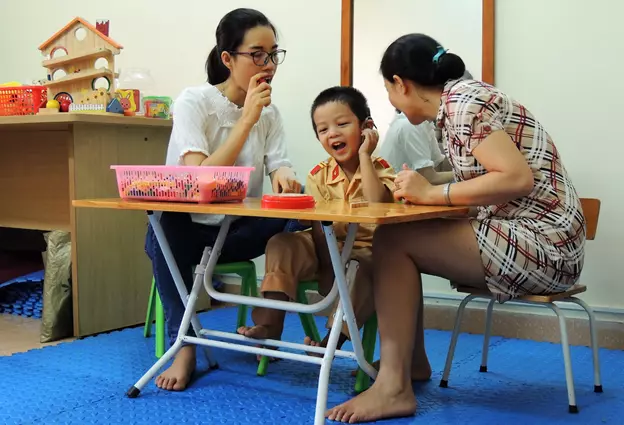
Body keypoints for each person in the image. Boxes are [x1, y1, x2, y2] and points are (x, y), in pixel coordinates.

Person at [326, 33, 586, 423]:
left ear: (402, 83)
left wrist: (433, 194)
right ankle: (409, 366)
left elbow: (516, 179)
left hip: (545, 245)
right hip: (540, 237)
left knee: (394, 241)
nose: (392, 102)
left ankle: (396, 386)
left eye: (388, 91)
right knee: (398, 239)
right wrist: (432, 196)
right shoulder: (457, 105)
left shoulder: (464, 104)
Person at [144, 8, 301, 392]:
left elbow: (279, 165)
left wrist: (286, 179)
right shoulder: (193, 102)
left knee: (302, 223)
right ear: (227, 59)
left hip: (236, 230)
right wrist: (247, 118)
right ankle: (185, 345)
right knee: (164, 226)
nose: (268, 65)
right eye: (257, 55)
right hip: (188, 229)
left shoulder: (271, 114)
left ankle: (271, 326)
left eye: (273, 54)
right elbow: (200, 179)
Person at [237, 86, 395, 356]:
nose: (332, 133)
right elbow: (317, 225)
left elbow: (378, 203)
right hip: (326, 249)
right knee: (282, 242)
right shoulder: (318, 175)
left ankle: (331, 343)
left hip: (364, 252)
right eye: (323, 130)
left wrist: (365, 156)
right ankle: (270, 323)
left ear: (366, 127)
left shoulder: (380, 168)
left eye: (343, 124)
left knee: (365, 267)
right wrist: (327, 265)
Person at [379, 110, 453, 184]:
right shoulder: (410, 125)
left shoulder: (426, 123)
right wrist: (461, 175)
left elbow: (438, 164)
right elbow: (430, 179)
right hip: (393, 190)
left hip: (411, 186)